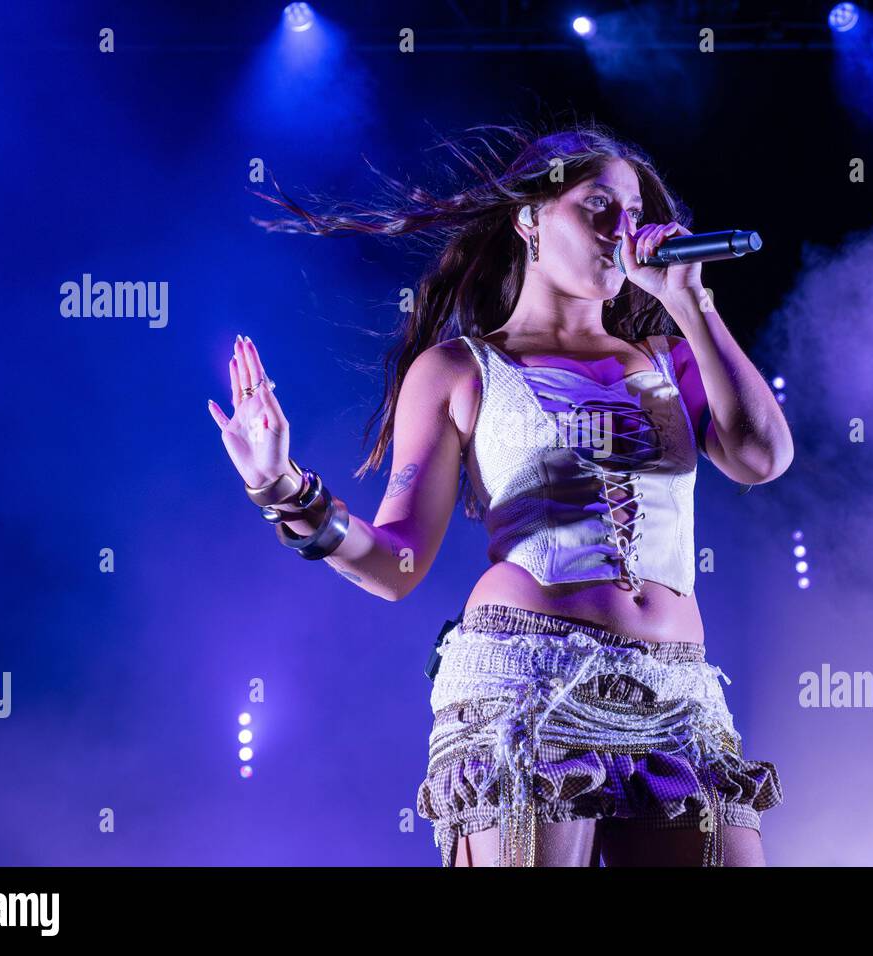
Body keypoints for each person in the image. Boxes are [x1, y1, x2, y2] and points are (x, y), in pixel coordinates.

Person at [207, 121, 794, 866]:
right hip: (528, 686)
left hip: (680, 697)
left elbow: (762, 457)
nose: (625, 228)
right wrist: (285, 491)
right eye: (599, 207)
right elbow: (396, 564)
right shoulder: (458, 369)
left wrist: (691, 304)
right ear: (530, 218)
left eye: (637, 214)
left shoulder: (670, 354)